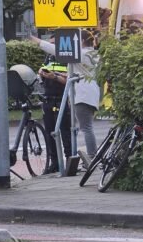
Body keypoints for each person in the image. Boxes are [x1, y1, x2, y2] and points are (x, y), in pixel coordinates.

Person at [30, 30, 101, 165]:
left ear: (81, 41)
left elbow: (55, 50)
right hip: (89, 93)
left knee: (86, 127)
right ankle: (91, 158)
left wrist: (35, 40)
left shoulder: (82, 54)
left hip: (82, 95)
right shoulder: (92, 54)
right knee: (86, 126)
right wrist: (57, 76)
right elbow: (77, 75)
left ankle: (92, 158)